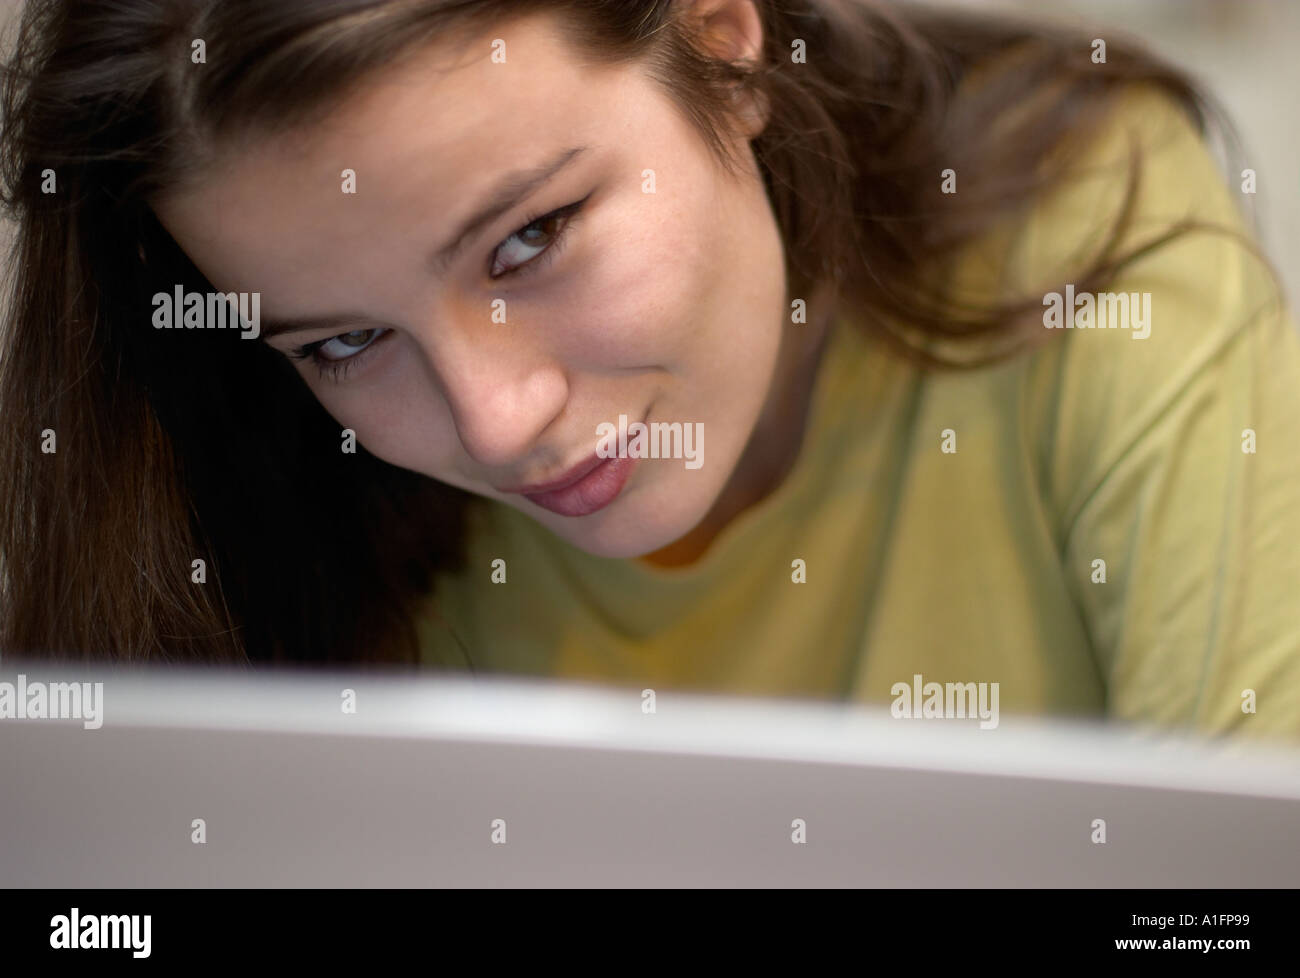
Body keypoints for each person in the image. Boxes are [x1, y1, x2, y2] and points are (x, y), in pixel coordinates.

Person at [1, 0, 1296, 740]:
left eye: (531, 238)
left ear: (721, 38)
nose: (499, 422)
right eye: (342, 342)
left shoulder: (1081, 225)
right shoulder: (248, 483)